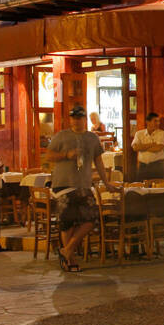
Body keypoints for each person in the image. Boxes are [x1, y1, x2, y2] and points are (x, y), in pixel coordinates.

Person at [47, 105, 117, 271]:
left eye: (79, 118)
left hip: (83, 184)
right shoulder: (61, 136)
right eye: (73, 118)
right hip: (63, 184)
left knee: (90, 219)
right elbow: (49, 156)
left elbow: (98, 161)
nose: (76, 121)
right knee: (68, 222)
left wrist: (106, 182)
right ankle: (69, 260)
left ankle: (67, 249)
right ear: (70, 119)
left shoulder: (92, 138)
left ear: (85, 119)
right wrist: (66, 155)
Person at [132, 112, 164, 180]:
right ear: (148, 122)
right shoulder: (139, 134)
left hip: (157, 165)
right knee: (141, 188)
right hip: (143, 166)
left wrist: (142, 147)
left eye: (158, 121)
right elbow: (135, 148)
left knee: (158, 189)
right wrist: (151, 144)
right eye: (155, 121)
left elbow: (158, 148)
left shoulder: (162, 133)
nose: (158, 123)